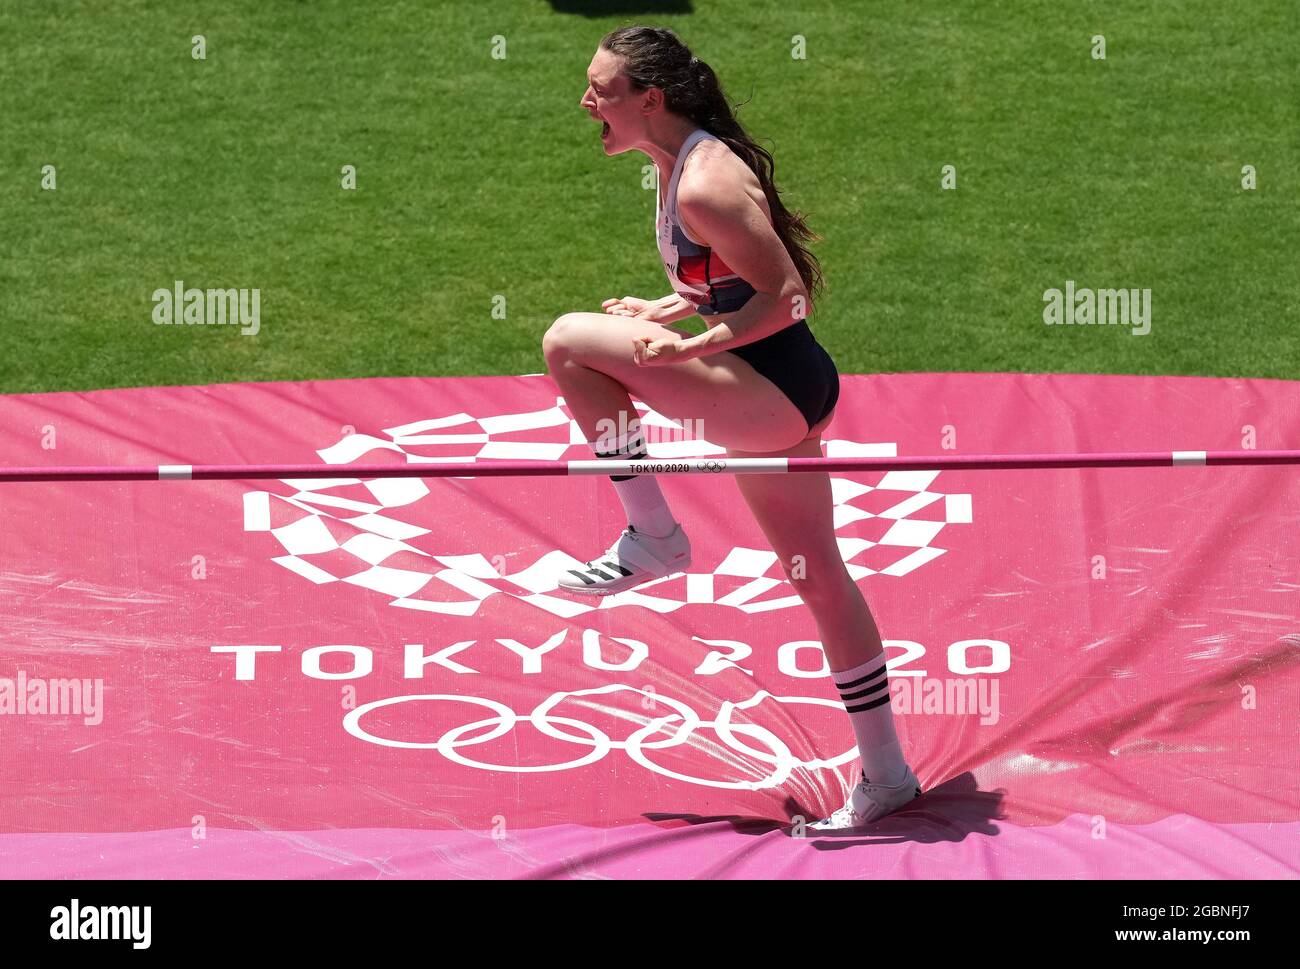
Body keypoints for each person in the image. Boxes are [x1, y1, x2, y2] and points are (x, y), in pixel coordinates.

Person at [543, 25, 921, 829]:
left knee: (568, 343)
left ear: (650, 99)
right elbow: (730, 277)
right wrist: (668, 307)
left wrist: (696, 343)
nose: (585, 102)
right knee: (816, 573)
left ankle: (652, 536)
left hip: (772, 389)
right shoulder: (674, 164)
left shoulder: (701, 184)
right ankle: (888, 776)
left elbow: (787, 296)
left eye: (600, 89)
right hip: (782, 393)